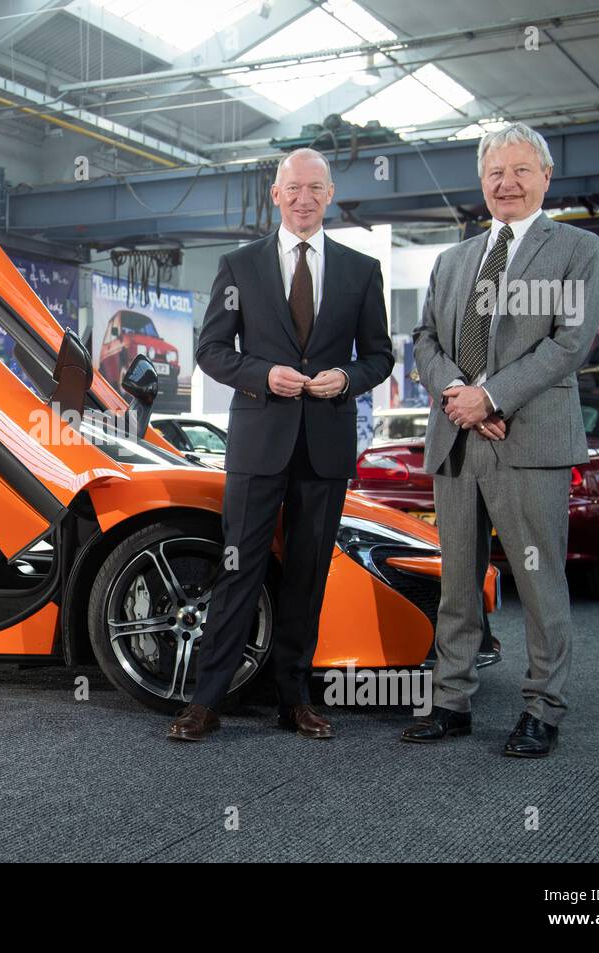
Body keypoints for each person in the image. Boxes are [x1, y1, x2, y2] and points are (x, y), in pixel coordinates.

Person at [167, 148, 393, 742]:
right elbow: (211, 350)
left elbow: (380, 356)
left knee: (307, 575)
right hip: (258, 442)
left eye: (315, 188)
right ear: (275, 193)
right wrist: (262, 375)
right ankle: (207, 701)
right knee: (238, 567)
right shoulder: (239, 267)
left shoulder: (359, 270)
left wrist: (347, 377)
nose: (303, 198)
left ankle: (294, 700)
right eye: (293, 188)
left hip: (324, 447)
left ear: (329, 193)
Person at [404, 122, 599, 757]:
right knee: (458, 582)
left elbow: (570, 342)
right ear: (481, 182)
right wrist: (461, 399)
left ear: (546, 178)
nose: (507, 182)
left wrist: (490, 396)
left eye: (521, 170)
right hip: (458, 441)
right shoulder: (452, 259)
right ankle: (452, 700)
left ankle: (543, 708)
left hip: (531, 440)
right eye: (495, 172)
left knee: (539, 582)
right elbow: (426, 342)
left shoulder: (576, 248)